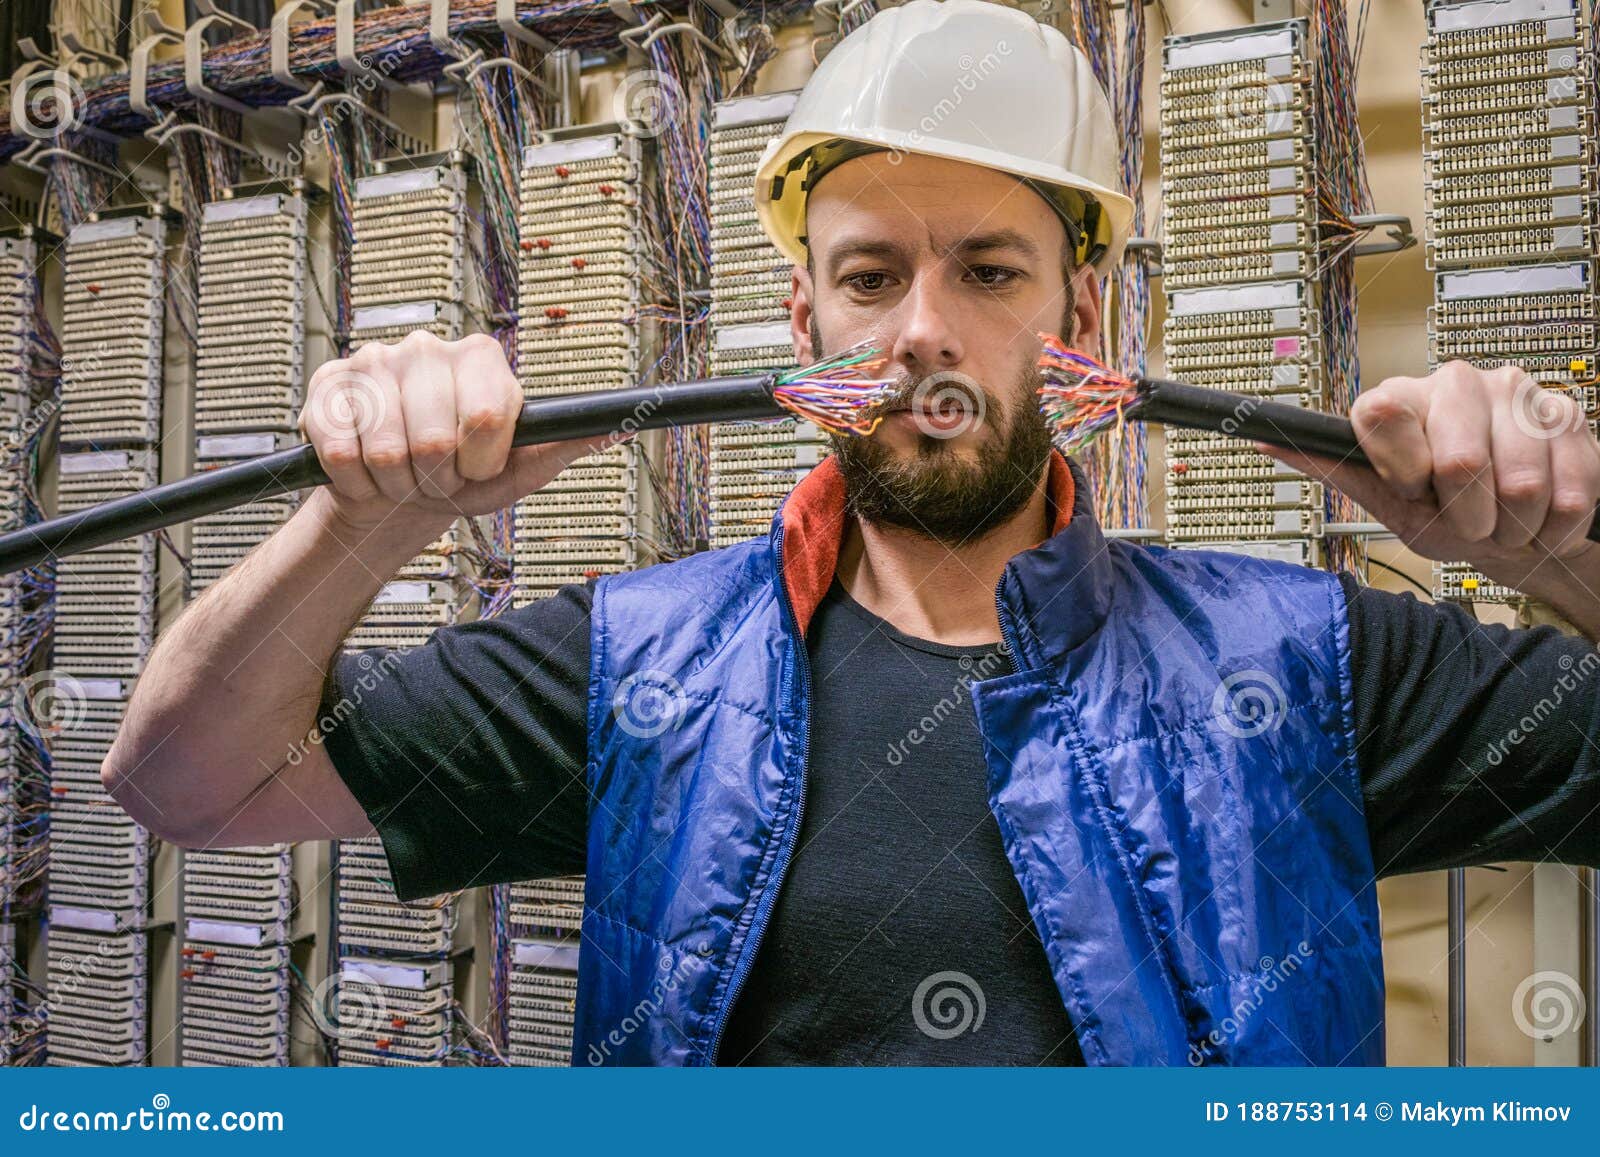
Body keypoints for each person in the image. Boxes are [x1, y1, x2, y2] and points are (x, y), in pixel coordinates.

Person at [105, 0, 1599, 1066]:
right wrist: (361, 521)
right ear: (802, 318)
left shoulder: (1302, 663)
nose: (923, 330)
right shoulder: (639, 669)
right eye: (873, 276)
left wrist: (1550, 554)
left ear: (1081, 319)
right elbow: (187, 783)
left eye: (988, 272)